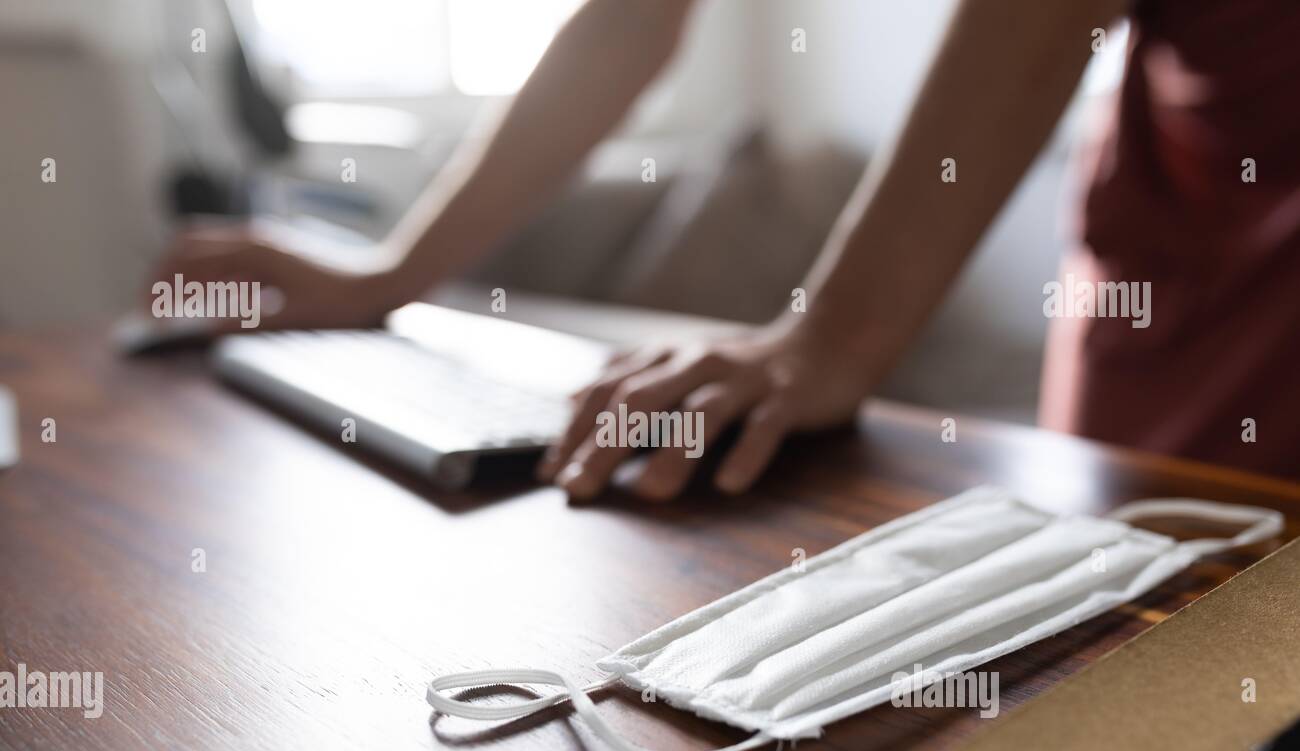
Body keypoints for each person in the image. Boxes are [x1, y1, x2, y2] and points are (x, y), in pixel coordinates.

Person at [151, 0, 1300, 501]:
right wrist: (390, 274)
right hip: (1181, 237)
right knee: (1154, 602)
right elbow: (629, 17)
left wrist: (826, 339)